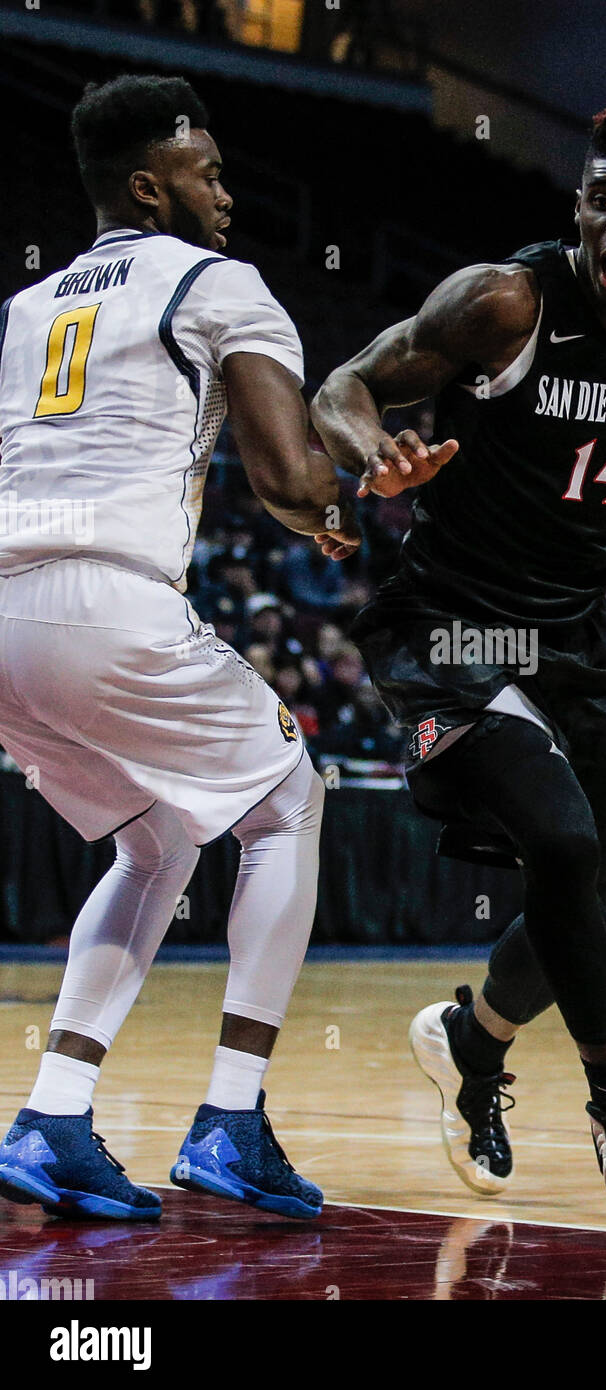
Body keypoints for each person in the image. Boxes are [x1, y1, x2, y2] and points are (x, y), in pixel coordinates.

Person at [312, 103, 606, 1231]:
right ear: (578, 206)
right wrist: (379, 456)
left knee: (582, 892)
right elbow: (341, 387)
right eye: (602, 197)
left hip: (572, 638)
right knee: (555, 842)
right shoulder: (504, 301)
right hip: (449, 625)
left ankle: (472, 1040)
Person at [0, 75, 371, 1222]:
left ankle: (54, 1116)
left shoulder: (28, 306)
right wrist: (350, 484)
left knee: (156, 841)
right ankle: (231, 1118)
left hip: (4, 612)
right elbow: (284, 481)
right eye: (207, 174)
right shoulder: (221, 284)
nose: (226, 193)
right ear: (149, 184)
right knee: (289, 802)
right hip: (108, 604)